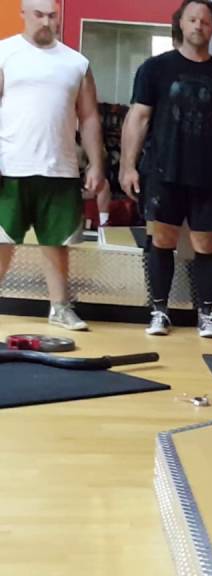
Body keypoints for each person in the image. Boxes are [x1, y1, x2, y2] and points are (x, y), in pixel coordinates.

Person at [119, 0, 212, 338]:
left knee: (205, 245)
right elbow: (138, 117)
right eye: (193, 19)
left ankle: (206, 315)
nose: (198, 26)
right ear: (182, 23)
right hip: (162, 171)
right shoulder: (154, 68)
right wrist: (127, 166)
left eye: (205, 22)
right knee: (161, 240)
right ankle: (159, 311)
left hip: (209, 175)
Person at [0, 0, 106, 331]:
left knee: (57, 245)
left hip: (60, 167)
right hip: (10, 165)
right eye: (39, 14)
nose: (47, 21)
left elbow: (89, 117)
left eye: (52, 15)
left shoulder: (76, 63)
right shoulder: (4, 53)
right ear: (23, 14)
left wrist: (96, 164)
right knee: (1, 243)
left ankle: (60, 308)